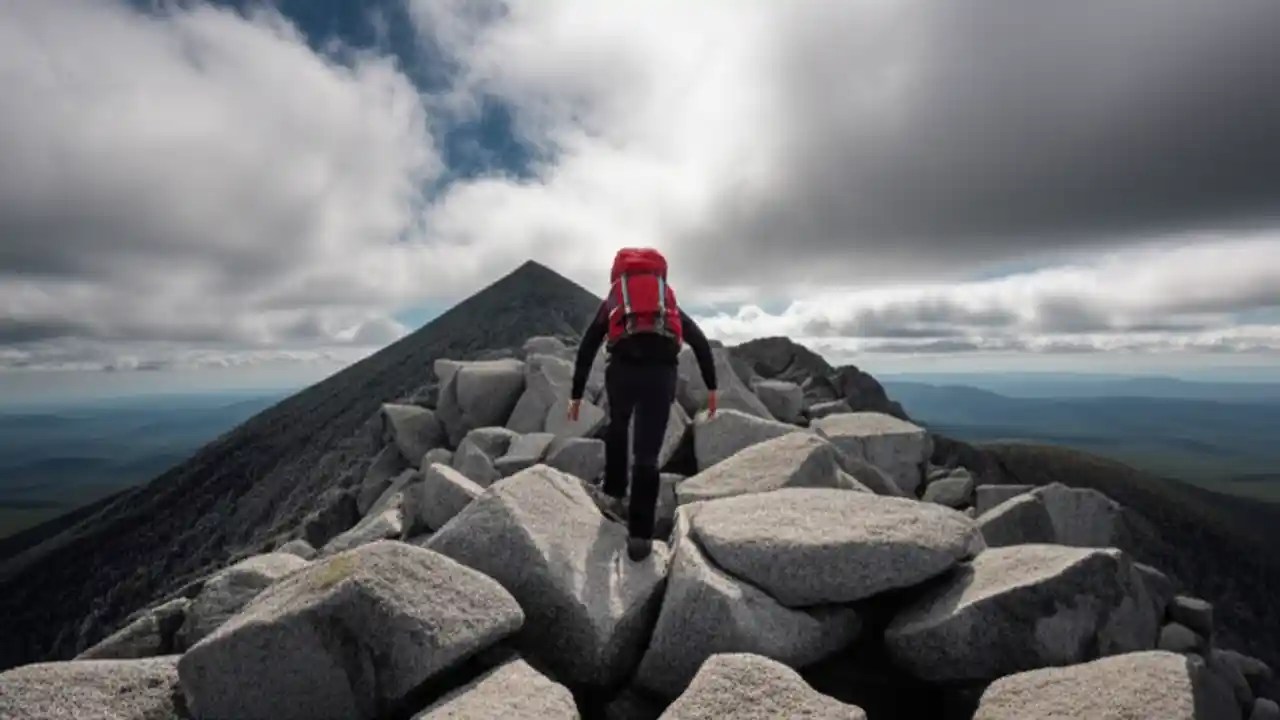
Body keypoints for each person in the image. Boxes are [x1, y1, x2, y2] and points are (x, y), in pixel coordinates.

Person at [569, 248, 718, 561]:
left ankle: (612, 495)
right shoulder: (667, 300)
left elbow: (588, 345)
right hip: (661, 374)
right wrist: (712, 386)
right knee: (647, 456)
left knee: (618, 427)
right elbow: (699, 341)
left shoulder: (616, 298)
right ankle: (640, 538)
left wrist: (576, 394)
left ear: (620, 274)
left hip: (622, 371)